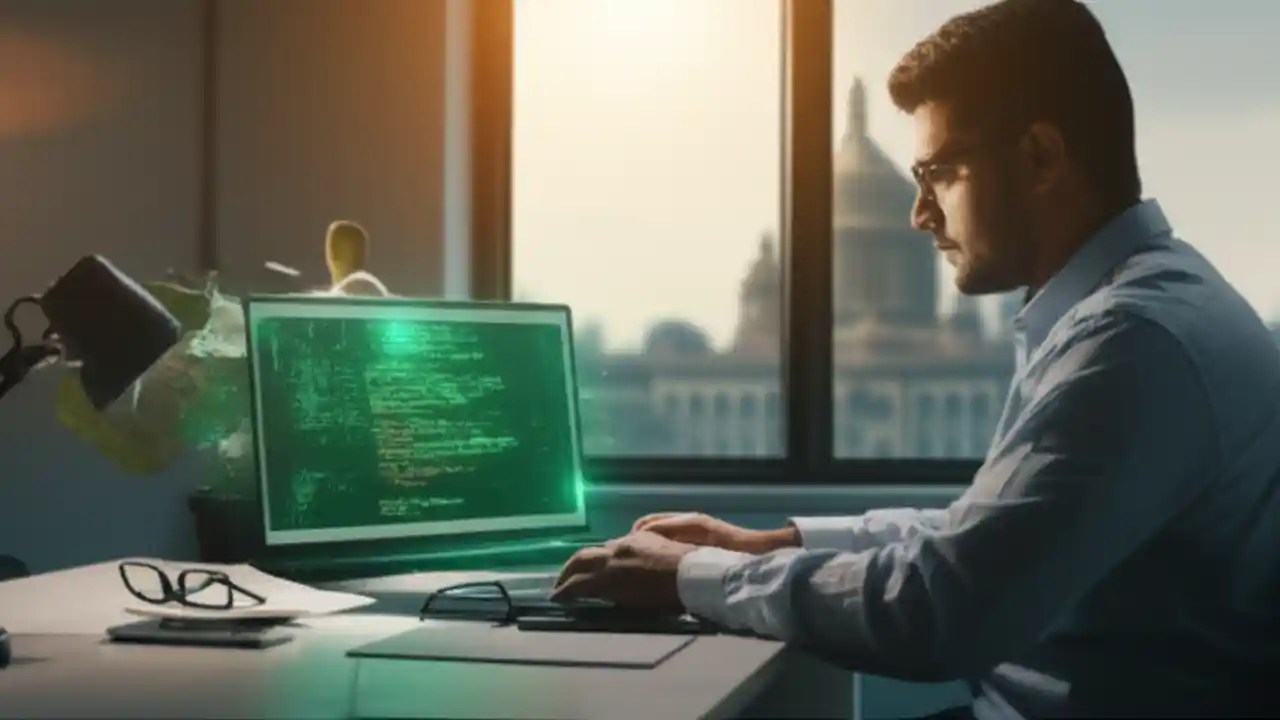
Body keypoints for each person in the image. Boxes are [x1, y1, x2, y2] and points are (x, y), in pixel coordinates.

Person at [551, 0, 1280, 717]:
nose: (919, 215)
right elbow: (985, 536)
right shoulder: (1132, 311)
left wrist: (695, 576)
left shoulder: (1132, 343)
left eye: (939, 173)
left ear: (1040, 157)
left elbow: (942, 610)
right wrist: (766, 543)